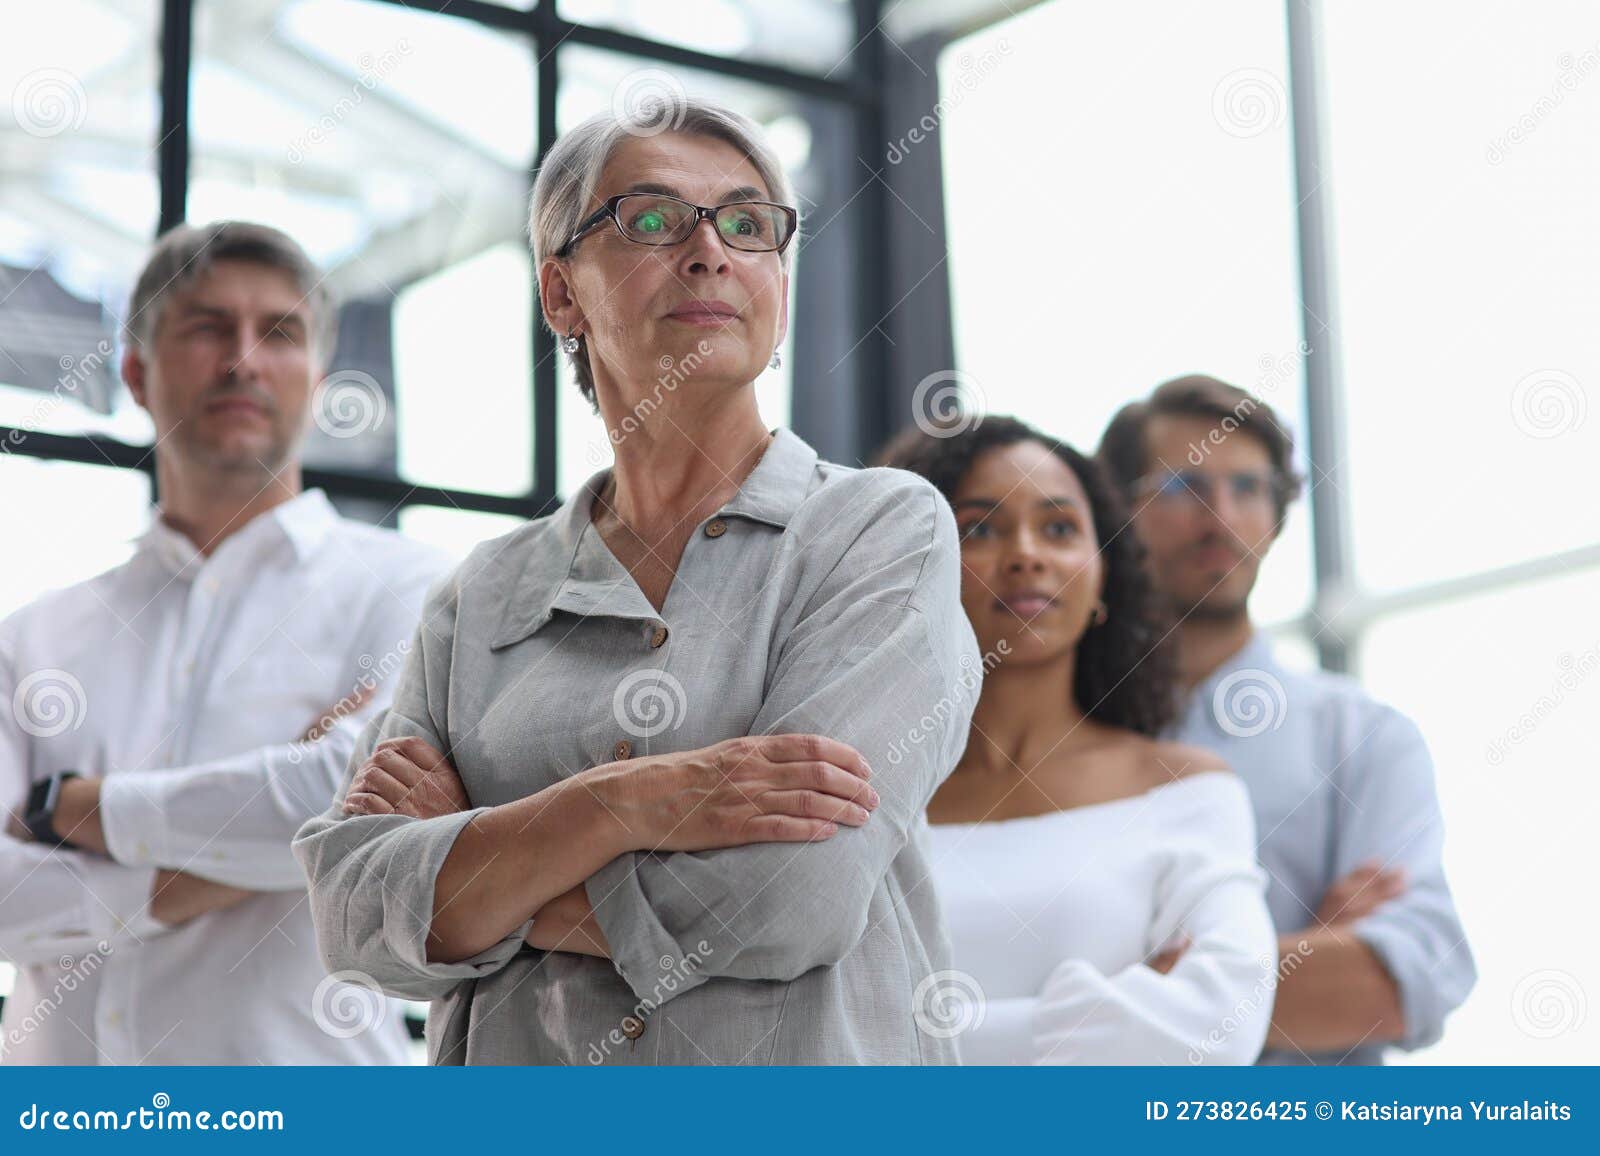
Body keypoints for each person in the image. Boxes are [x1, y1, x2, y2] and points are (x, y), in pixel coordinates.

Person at [293, 97, 981, 1065]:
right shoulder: (482, 593)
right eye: (652, 220)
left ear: (780, 282)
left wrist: (476, 864)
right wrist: (623, 803)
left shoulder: (877, 529)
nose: (710, 251)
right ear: (562, 295)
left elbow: (790, 899)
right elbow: (352, 911)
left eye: (747, 224)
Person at [0, 221, 447, 1063]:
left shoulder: (416, 591)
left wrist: (70, 808)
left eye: (279, 333)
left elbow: (362, 805)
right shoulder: (34, 637)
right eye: (207, 327)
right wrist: (231, 855)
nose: (243, 359)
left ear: (316, 379)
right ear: (136, 372)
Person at [1099, 373, 1477, 1063]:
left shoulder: (1364, 735)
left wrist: (1135, 986)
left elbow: (1402, 983)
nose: (1221, 516)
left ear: (1276, 516)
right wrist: (1304, 953)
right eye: (1184, 487)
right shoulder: (1058, 739)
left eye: (1249, 488)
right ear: (1118, 515)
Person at [878, 415, 1276, 1064]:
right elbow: (805, 1038)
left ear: (1102, 577)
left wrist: (911, 1043)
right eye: (979, 528)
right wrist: (1110, 1015)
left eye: (1059, 528)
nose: (1027, 554)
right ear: (915, 566)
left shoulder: (1188, 789)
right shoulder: (861, 795)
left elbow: (1220, 1028)